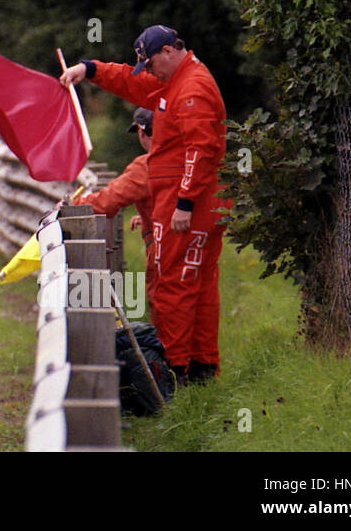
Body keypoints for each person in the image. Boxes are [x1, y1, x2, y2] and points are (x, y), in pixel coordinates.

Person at [60, 25, 229, 386]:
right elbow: (132, 83)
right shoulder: (173, 82)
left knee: (173, 285)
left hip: (187, 203)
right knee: (197, 283)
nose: (149, 72)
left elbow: (201, 149)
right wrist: (89, 69)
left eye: (152, 64)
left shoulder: (191, 89)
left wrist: (184, 202)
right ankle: (201, 367)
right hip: (201, 199)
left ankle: (174, 370)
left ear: (169, 51)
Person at [74, 107, 156, 314]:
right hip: (199, 249)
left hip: (165, 253)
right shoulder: (188, 158)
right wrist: (148, 215)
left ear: (141, 132)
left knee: (167, 311)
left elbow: (107, 201)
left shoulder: (148, 166)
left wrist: (72, 206)